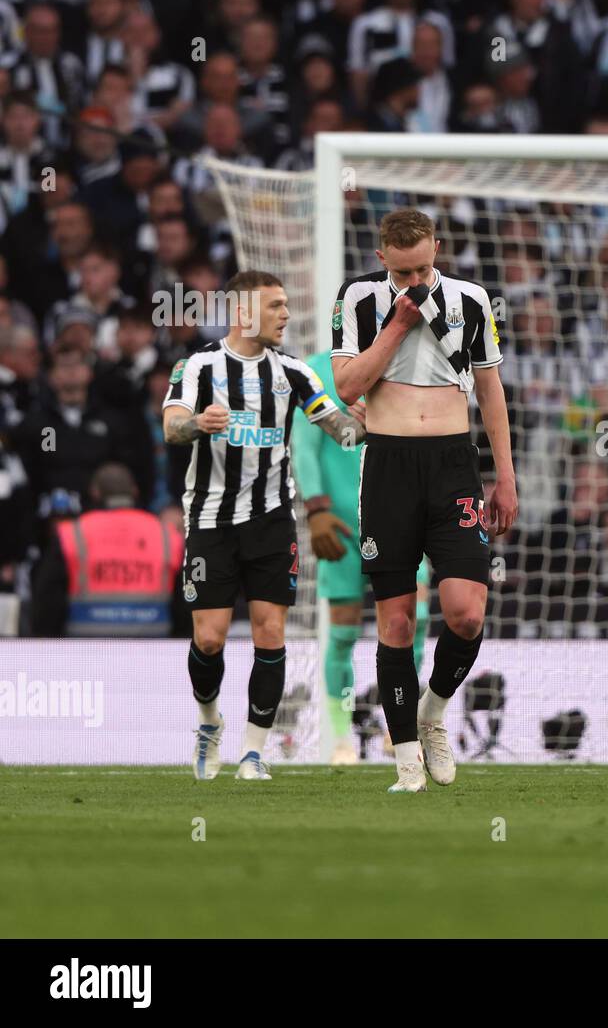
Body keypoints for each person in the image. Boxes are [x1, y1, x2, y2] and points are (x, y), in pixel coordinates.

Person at [332, 208, 517, 793]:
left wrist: (505, 476)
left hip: (452, 466)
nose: (415, 281)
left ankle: (432, 711)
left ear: (437, 247)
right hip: (387, 466)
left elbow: (489, 389)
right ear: (381, 256)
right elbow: (347, 387)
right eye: (403, 271)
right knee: (396, 619)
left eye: (424, 268)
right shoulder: (359, 299)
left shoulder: (471, 299)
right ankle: (406, 760)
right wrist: (398, 323)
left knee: (466, 612)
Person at [163, 271, 365, 782]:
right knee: (208, 639)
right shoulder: (200, 365)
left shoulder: (294, 372)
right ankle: (209, 721)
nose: (286, 314)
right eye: (275, 305)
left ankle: (253, 752)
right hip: (210, 519)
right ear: (243, 312)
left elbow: (337, 428)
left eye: (285, 305)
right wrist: (196, 425)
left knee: (270, 632)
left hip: (273, 521)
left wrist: (359, 424)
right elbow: (171, 426)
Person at [291, 346, 434, 765]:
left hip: (399, 516)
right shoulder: (315, 371)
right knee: (343, 632)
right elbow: (304, 446)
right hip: (342, 523)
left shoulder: (402, 361)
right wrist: (316, 508)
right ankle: (340, 737)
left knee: (416, 617)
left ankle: (400, 722)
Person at [31, 461, 184, 637]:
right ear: (134, 491)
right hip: (155, 650)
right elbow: (186, 604)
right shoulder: (168, 536)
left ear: (95, 492)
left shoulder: (72, 534)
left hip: (84, 652)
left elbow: (47, 604)